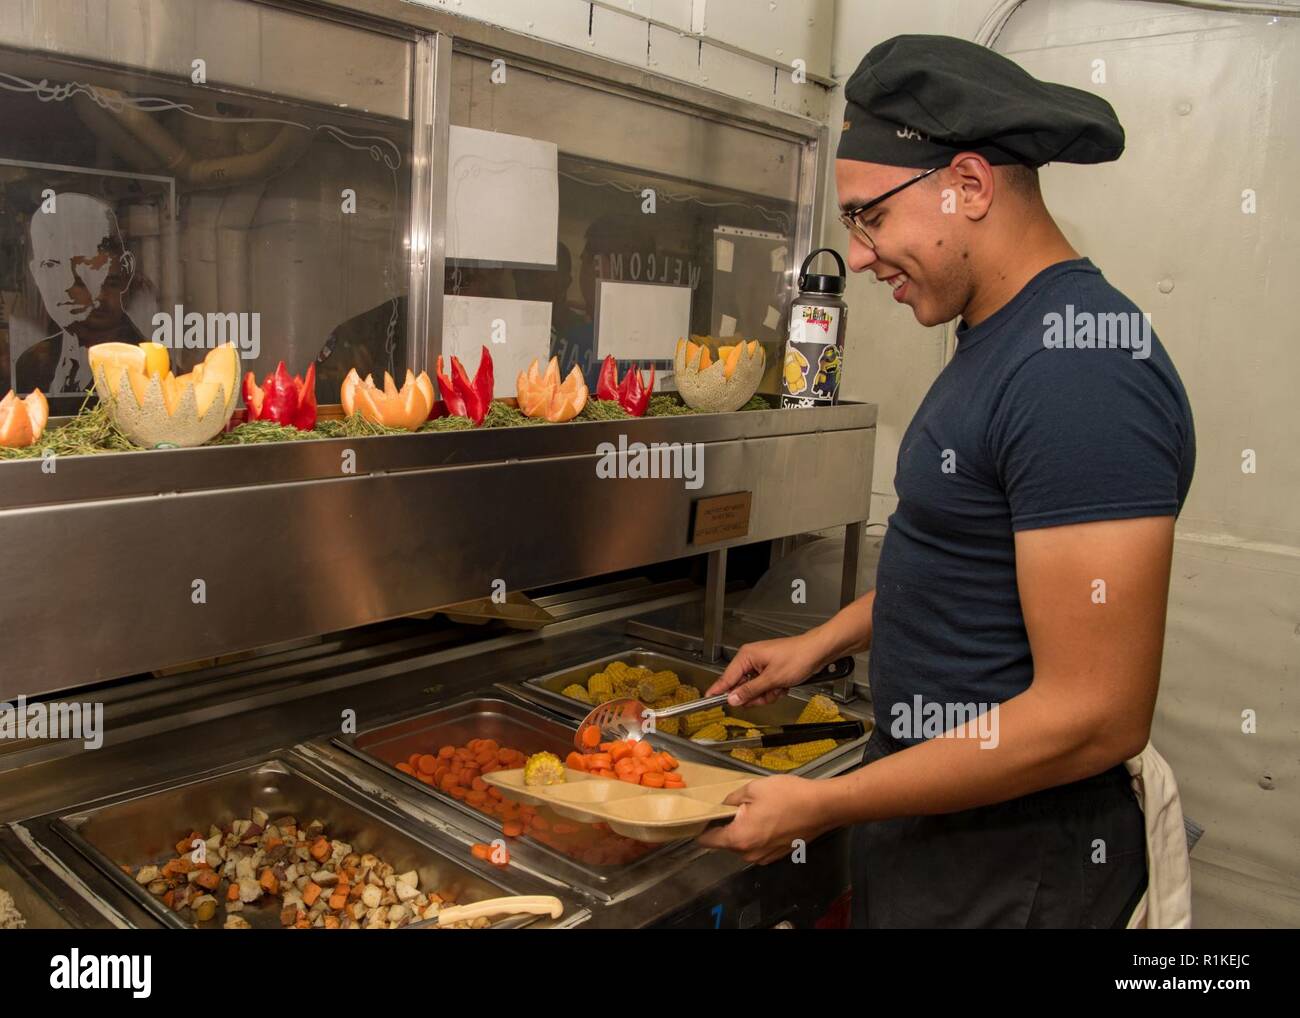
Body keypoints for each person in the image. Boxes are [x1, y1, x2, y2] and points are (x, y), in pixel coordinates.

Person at [698, 35, 1195, 929]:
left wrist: (824, 804)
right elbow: (970, 565)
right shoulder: (996, 336)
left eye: (869, 217)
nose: (856, 256)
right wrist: (823, 641)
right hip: (940, 841)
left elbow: (1096, 715)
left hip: (1015, 873)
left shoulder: (1080, 372)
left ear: (967, 186)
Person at [14, 193, 148, 395]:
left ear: (124, 269)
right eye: (50, 264)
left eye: (85, 261)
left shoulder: (146, 368)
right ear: (36, 274)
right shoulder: (30, 364)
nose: (67, 283)